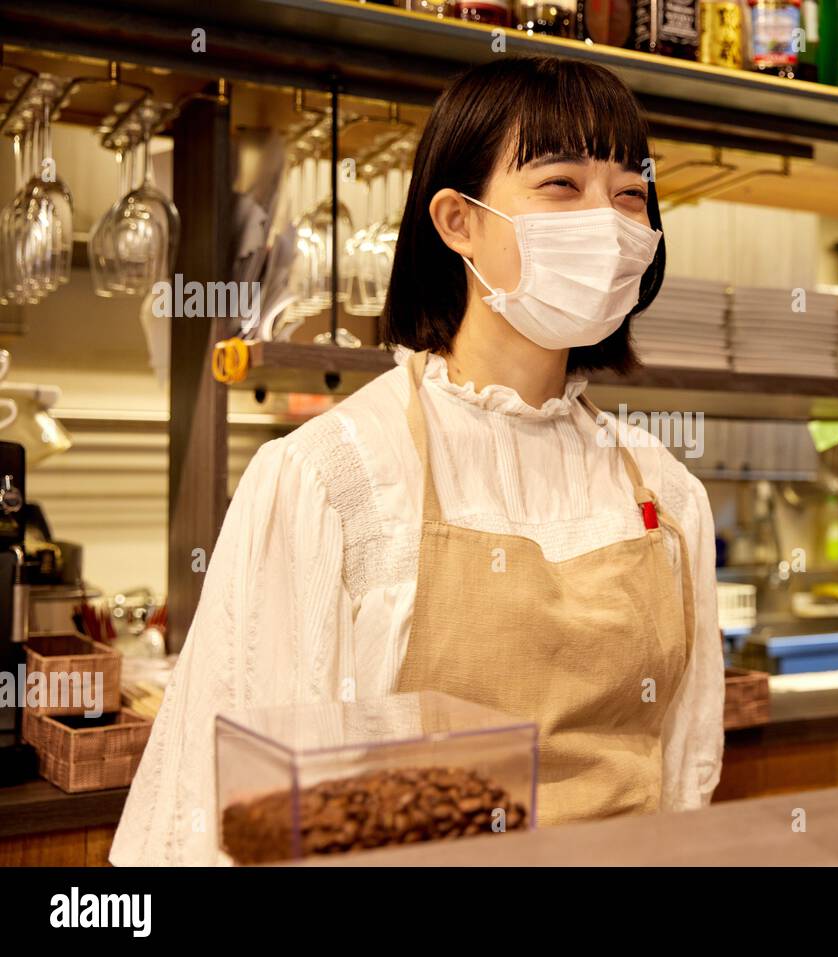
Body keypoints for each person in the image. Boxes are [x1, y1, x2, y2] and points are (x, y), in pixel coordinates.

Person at [110, 56, 724, 865]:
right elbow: (224, 813)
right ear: (456, 220)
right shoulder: (332, 477)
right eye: (562, 185)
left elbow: (683, 776)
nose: (606, 222)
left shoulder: (668, 491)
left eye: (629, 195)